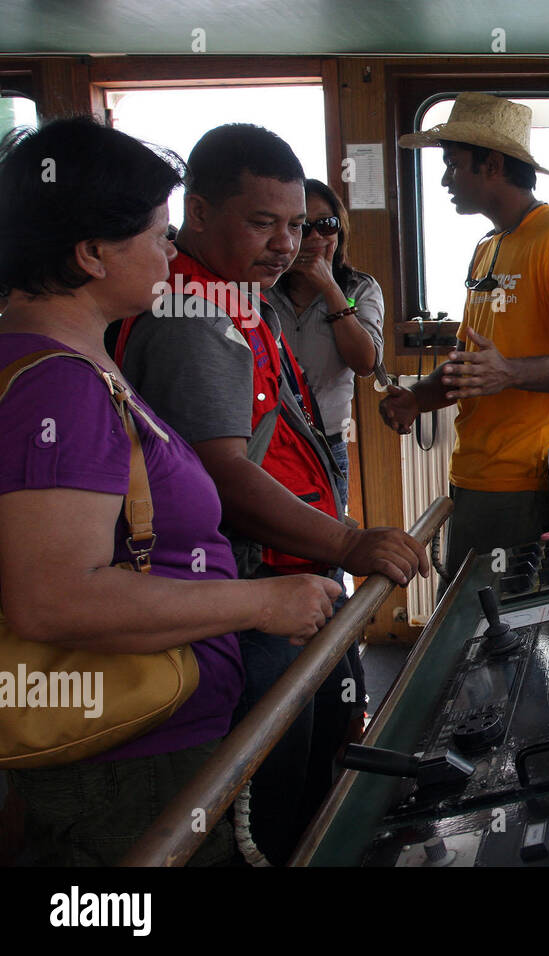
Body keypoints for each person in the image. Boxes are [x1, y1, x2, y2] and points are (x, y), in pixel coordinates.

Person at [0, 117, 340, 866]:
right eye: (158, 235)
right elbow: (55, 598)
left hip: (153, 729)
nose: (169, 252)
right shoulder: (58, 386)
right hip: (127, 761)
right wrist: (262, 601)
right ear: (91, 253)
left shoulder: (68, 365)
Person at [112, 123, 429, 866]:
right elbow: (223, 472)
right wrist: (348, 541)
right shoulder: (194, 318)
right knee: (276, 803)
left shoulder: (243, 299)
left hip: (296, 573)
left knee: (323, 766)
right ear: (195, 214)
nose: (286, 244)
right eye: (262, 223)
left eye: (296, 225)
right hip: (253, 592)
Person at [381, 93, 549, 570]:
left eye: (454, 165)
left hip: (516, 479)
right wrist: (415, 399)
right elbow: (472, 365)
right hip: (472, 469)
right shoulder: (488, 247)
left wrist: (509, 372)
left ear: (491, 165)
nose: (446, 178)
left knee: (483, 622)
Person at [264, 179, 383, 515]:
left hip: (326, 443)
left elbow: (365, 362)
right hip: (268, 441)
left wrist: (331, 289)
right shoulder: (262, 288)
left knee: (327, 546)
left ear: (339, 231)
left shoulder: (359, 288)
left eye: (326, 225)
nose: (315, 237)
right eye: (304, 227)